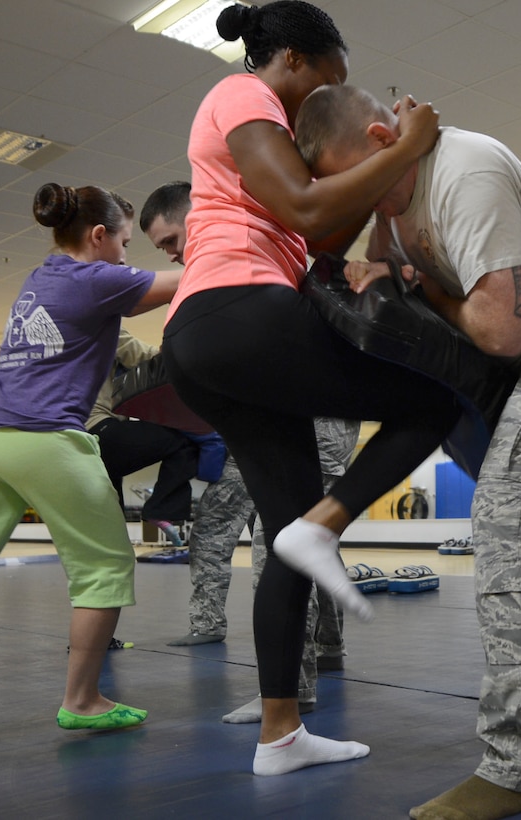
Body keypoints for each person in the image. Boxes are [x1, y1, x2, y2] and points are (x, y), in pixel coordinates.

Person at [295, 84, 521, 820]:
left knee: (507, 517)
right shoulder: (391, 208)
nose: (354, 197)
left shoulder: (464, 170)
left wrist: (421, 285)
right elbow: (376, 272)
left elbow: (499, 332)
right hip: (516, 372)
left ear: (378, 137)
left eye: (350, 175)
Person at [159, 1, 462, 777]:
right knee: (434, 396)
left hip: (210, 345)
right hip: (234, 312)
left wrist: (382, 177)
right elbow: (300, 208)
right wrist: (412, 147)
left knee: (284, 534)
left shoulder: (281, 141)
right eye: (331, 75)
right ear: (294, 58)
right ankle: (326, 524)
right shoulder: (243, 94)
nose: (332, 92)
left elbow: (318, 231)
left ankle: (279, 736)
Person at [0, 182, 180, 768]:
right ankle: (82, 699)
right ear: (99, 236)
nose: (127, 253)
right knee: (103, 564)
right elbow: (190, 280)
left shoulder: (40, 278)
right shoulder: (97, 278)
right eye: (124, 241)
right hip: (41, 434)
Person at [139, 181, 357, 719]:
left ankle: (287, 689)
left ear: (195, 213)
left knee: (283, 539)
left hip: (316, 409)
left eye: (169, 237)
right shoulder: (222, 258)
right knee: (307, 536)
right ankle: (324, 648)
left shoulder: (247, 241)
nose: (168, 251)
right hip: (279, 410)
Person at [87, 326, 200, 547]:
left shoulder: (56, 333)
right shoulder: (102, 325)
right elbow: (146, 358)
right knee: (185, 440)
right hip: (98, 429)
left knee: (111, 523)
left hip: (67, 439)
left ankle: (111, 551)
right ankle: (162, 509)